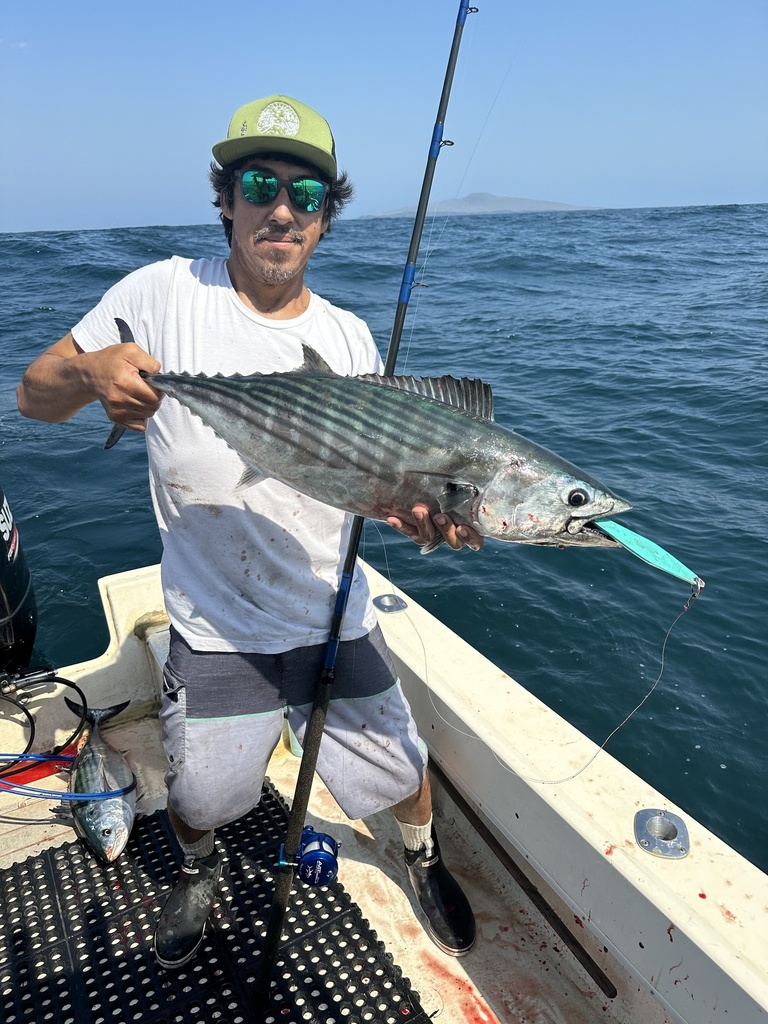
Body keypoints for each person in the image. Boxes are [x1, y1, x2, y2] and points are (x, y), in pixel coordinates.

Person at [17, 94, 481, 968]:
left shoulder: (347, 338)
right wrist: (88, 370)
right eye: (260, 185)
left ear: (325, 218)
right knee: (202, 796)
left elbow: (383, 480)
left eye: (305, 197)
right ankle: (198, 869)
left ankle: (418, 854)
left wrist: (425, 515)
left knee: (402, 774)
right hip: (216, 624)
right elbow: (33, 396)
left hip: (332, 614)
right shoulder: (159, 293)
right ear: (226, 199)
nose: (281, 210)